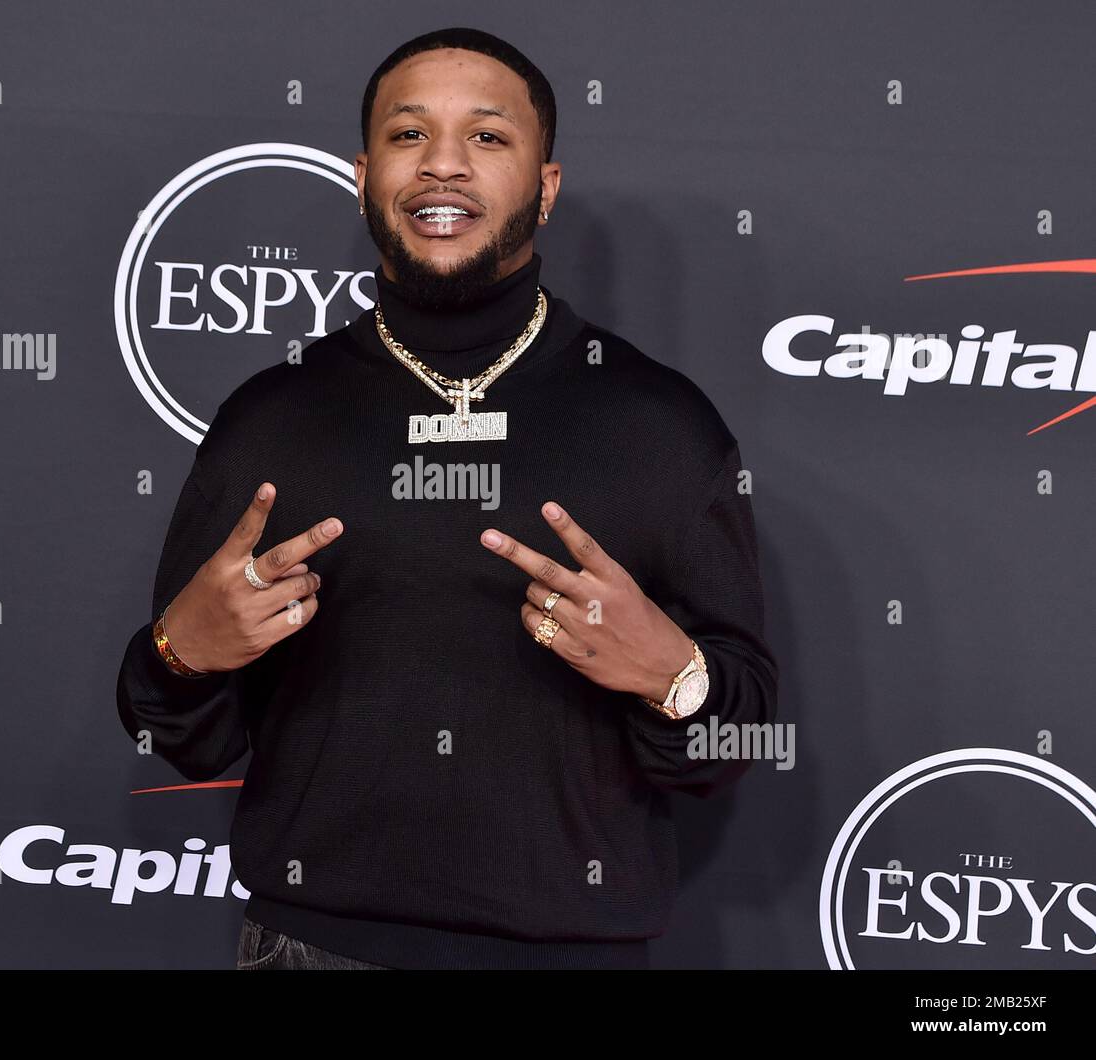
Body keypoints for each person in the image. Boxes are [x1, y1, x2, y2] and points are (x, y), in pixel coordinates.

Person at [117, 26, 778, 971]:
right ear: (361, 175)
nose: (442, 167)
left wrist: (674, 674)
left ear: (545, 188)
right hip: (311, 949)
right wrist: (180, 656)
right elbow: (178, 730)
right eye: (408, 135)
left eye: (488, 138)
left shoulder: (660, 424)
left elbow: (742, 728)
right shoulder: (272, 418)